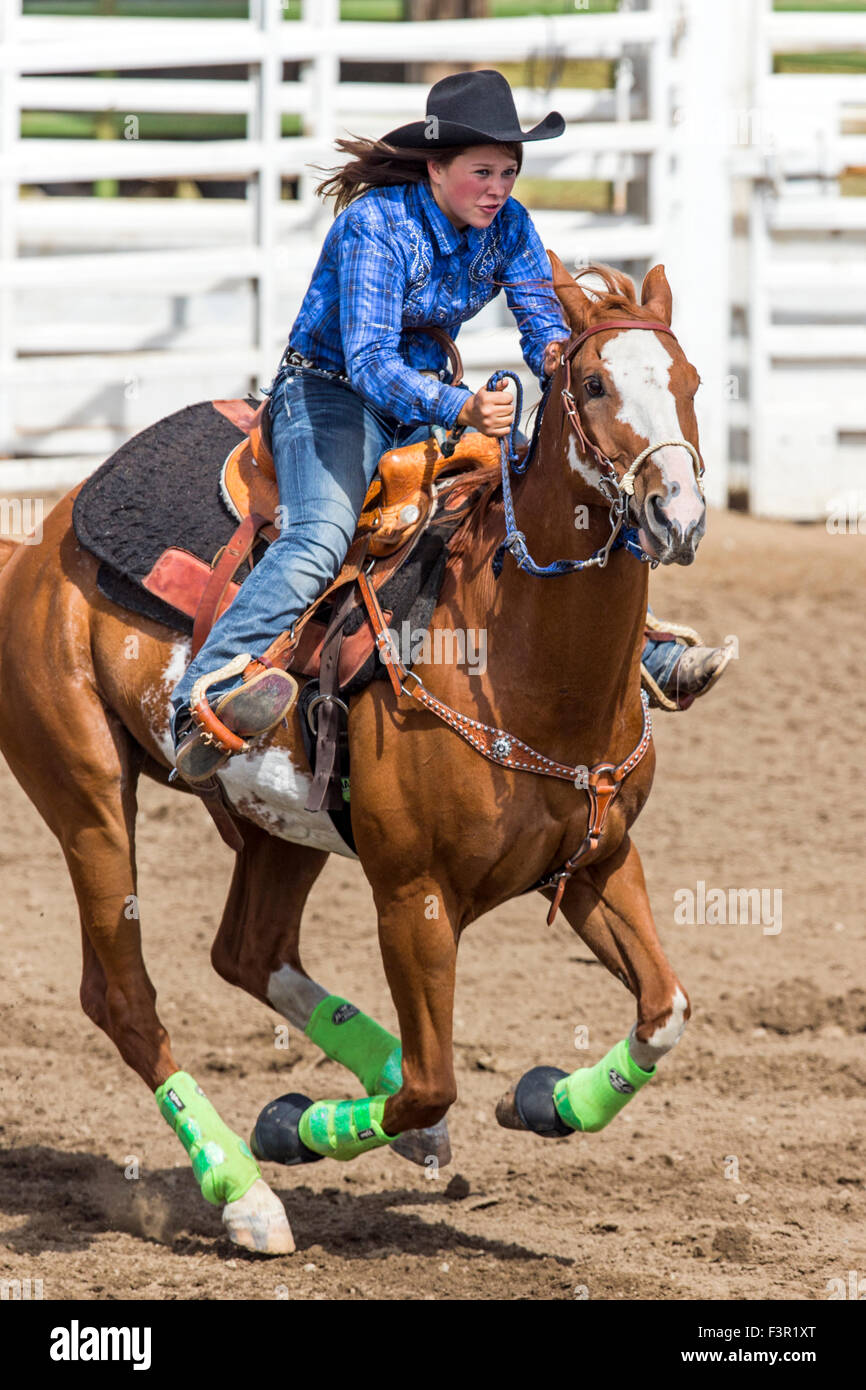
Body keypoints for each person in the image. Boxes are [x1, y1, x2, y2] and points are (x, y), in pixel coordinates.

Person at [171, 70, 730, 784]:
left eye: (509, 171)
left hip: (427, 397)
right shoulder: (375, 226)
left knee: (563, 486)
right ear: (436, 169)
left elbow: (542, 333)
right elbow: (370, 362)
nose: (498, 188)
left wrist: (574, 354)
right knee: (321, 536)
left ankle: (637, 644)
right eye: (482, 172)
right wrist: (462, 409)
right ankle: (202, 693)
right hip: (330, 395)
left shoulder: (512, 228)